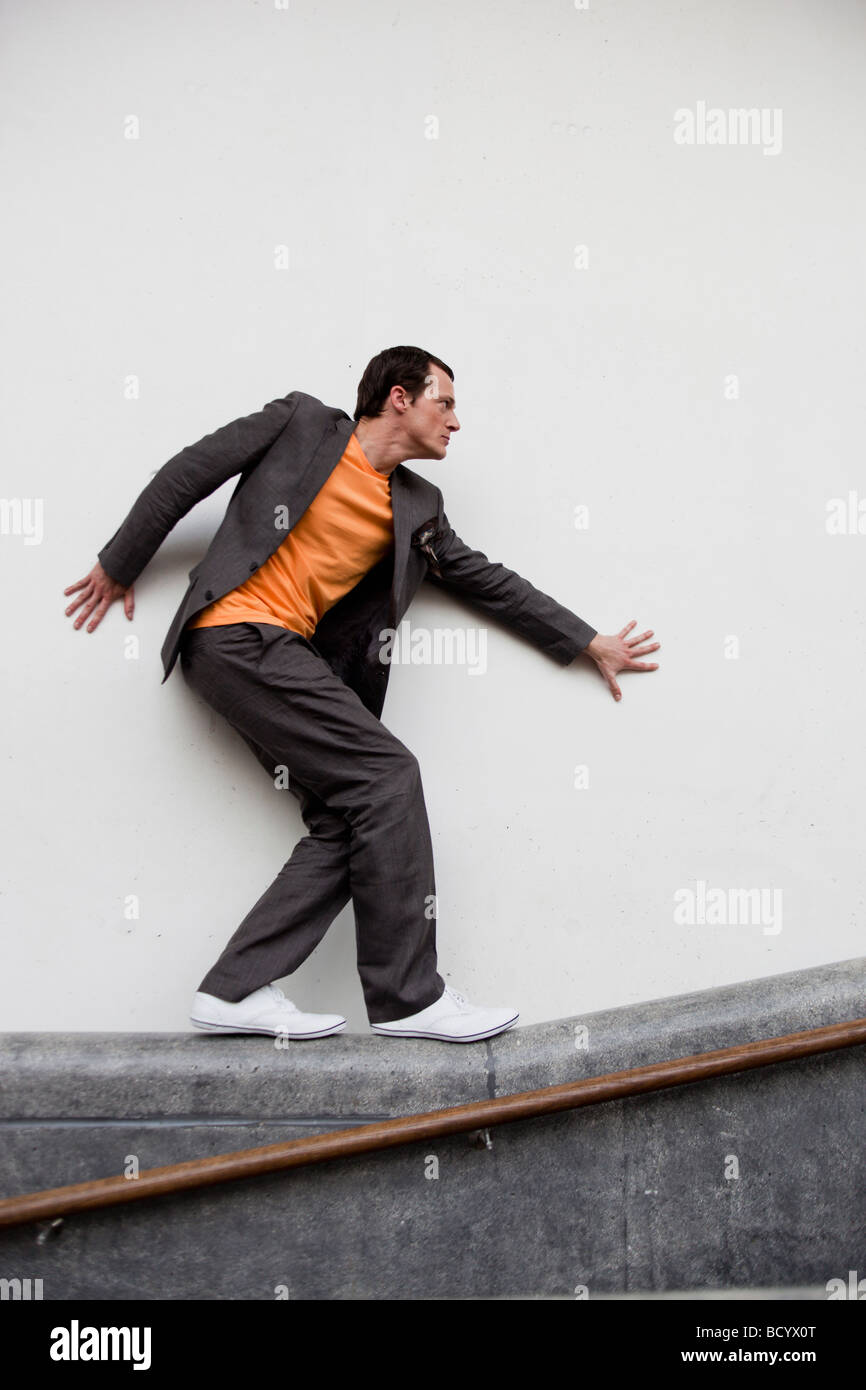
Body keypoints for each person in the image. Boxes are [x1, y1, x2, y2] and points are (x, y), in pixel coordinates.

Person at [63, 346, 660, 1043]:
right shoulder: (301, 424)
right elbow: (190, 471)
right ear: (400, 397)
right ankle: (409, 998)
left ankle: (234, 988)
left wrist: (587, 641)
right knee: (389, 776)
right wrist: (119, 563)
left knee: (353, 820)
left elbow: (487, 579)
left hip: (276, 659)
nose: (457, 423)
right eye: (447, 402)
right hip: (237, 634)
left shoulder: (416, 506)